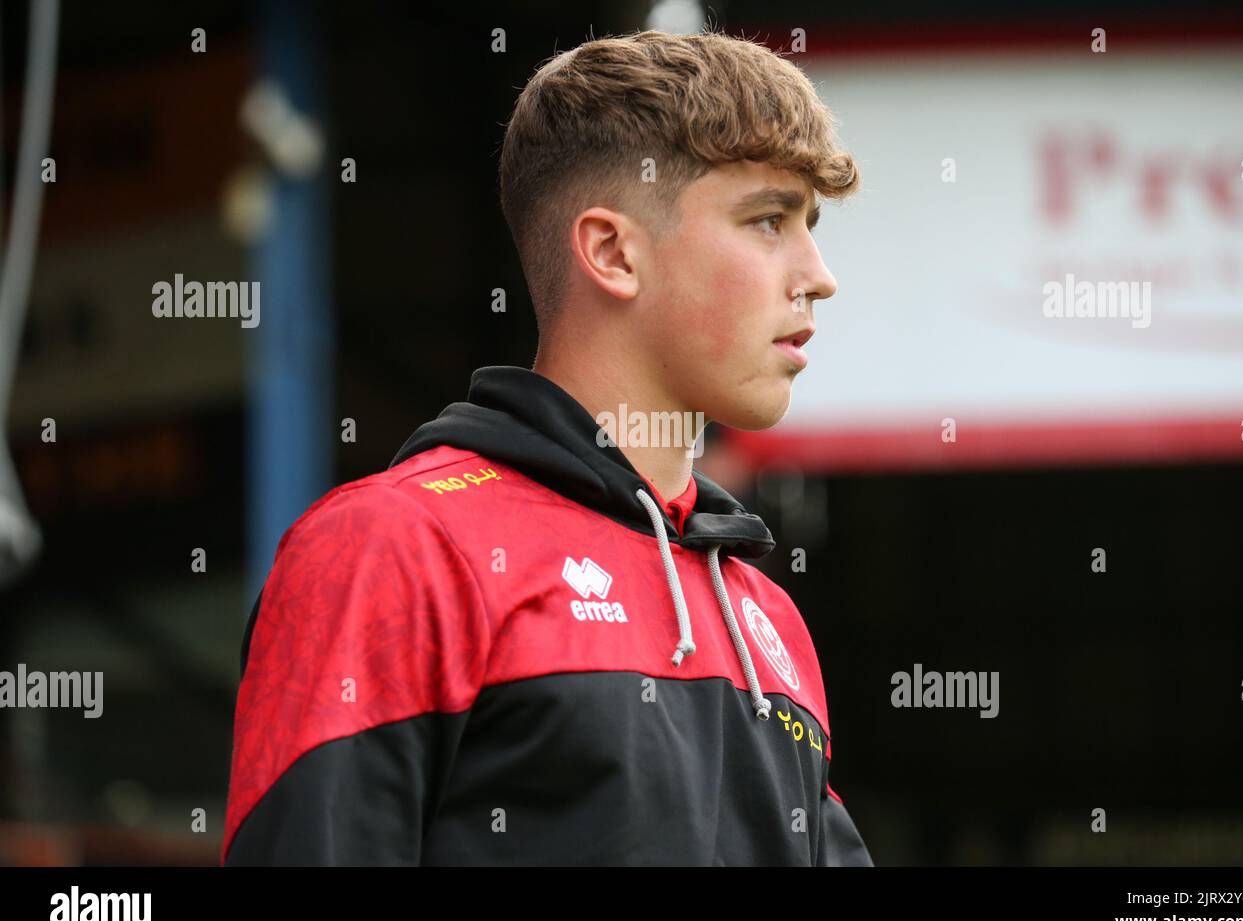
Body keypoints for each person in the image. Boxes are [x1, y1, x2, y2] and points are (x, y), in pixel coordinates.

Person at [222, 27, 871, 865]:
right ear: (611, 251)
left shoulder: (765, 617)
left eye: (810, 223)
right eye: (769, 220)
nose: (818, 272)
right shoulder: (394, 550)